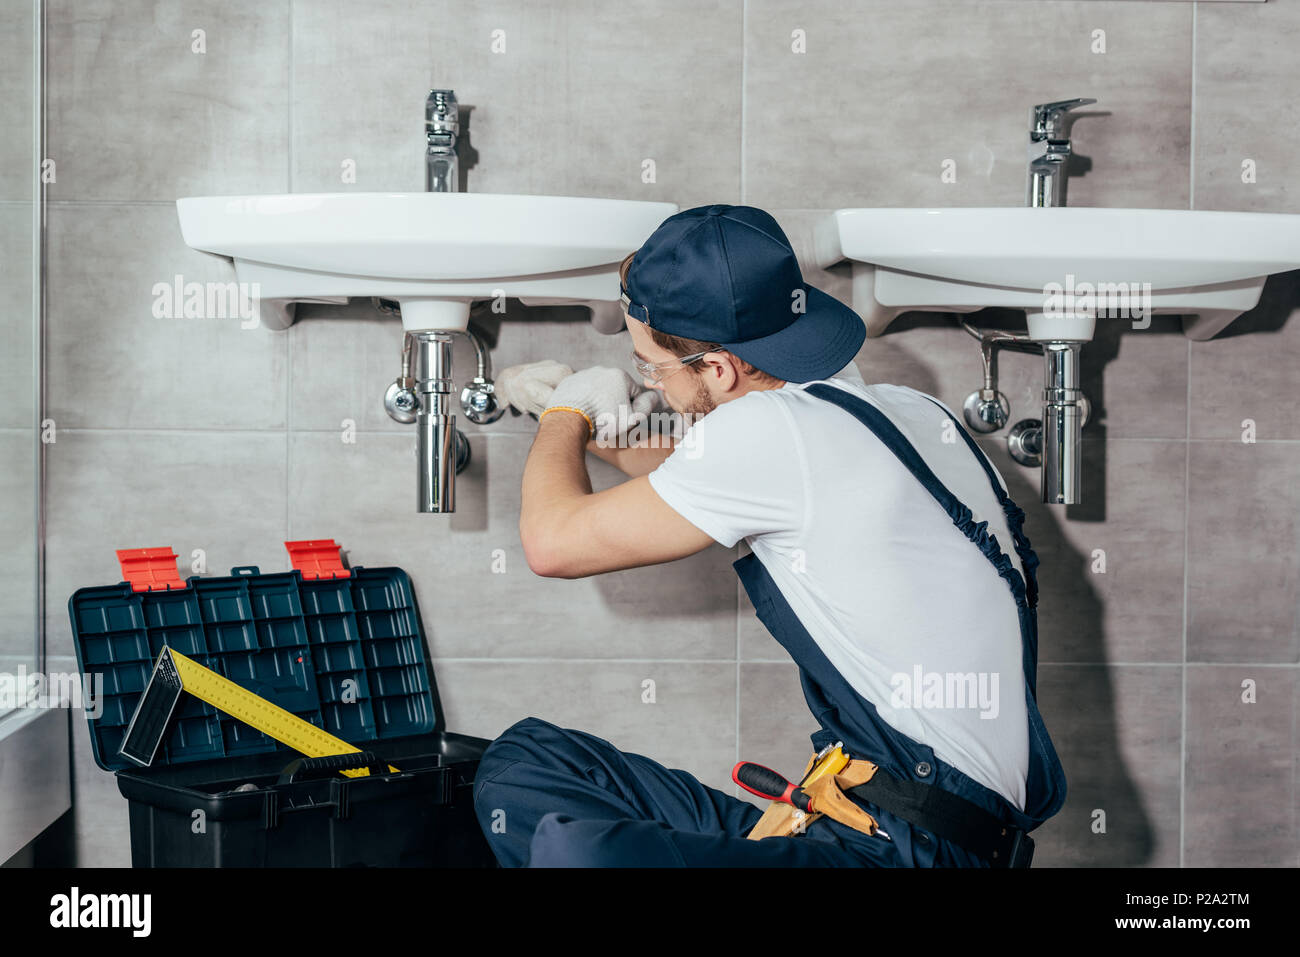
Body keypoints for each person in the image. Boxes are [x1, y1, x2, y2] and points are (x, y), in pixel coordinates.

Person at [472, 204, 1066, 867]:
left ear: (720, 369)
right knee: (524, 763)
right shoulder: (907, 410)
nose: (655, 386)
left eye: (651, 367)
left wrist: (567, 413)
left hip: (914, 854)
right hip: (876, 820)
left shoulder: (769, 435)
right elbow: (695, 481)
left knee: (576, 853)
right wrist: (600, 431)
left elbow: (551, 543)